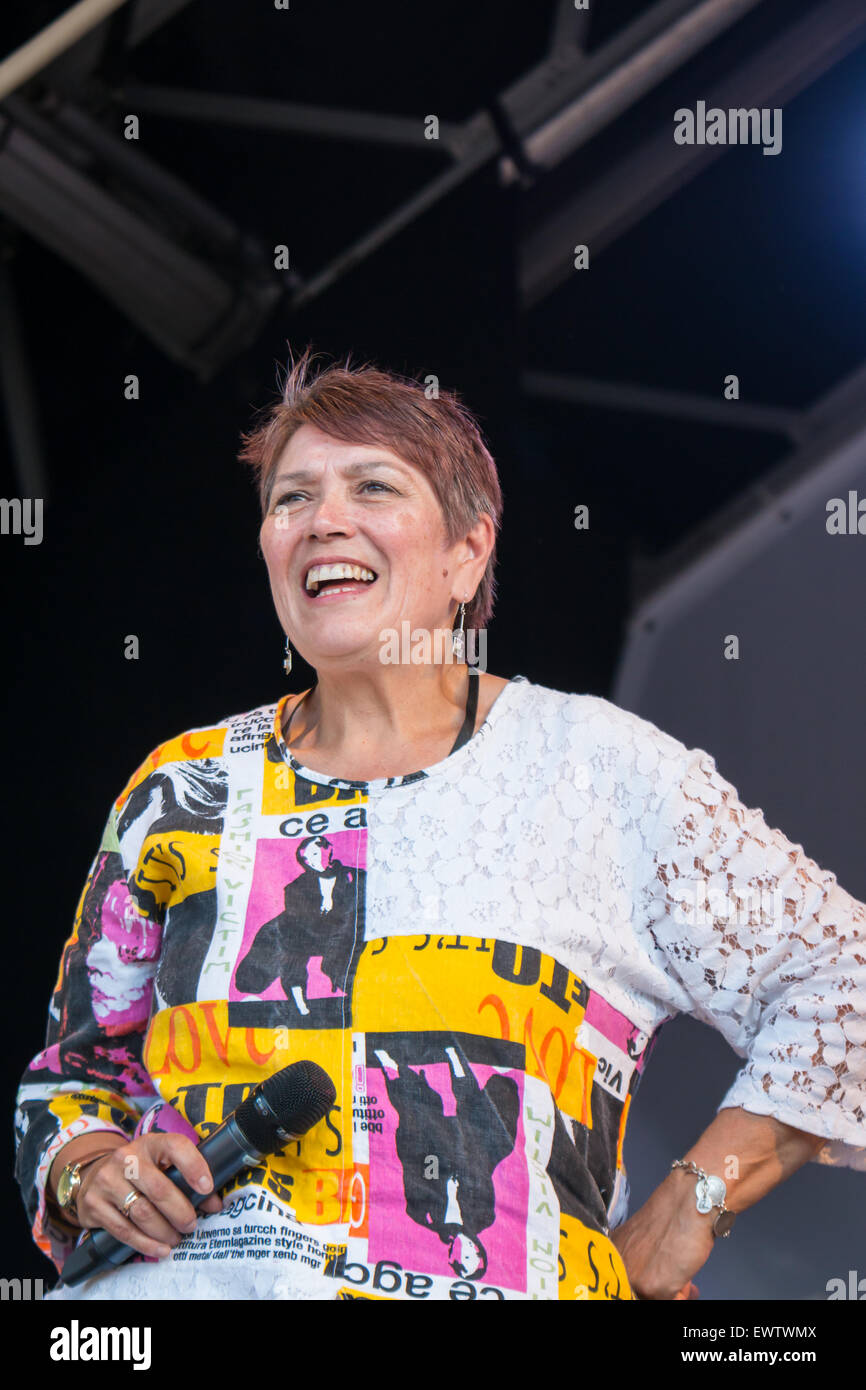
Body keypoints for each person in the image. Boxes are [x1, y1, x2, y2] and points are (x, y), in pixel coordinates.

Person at [15, 349, 865, 1302]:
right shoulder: (180, 785)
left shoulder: (595, 767)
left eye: (372, 486)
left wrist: (689, 1207)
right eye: (290, 500)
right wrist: (88, 1166)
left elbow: (843, 980)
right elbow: (75, 1075)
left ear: (468, 551)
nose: (322, 520)